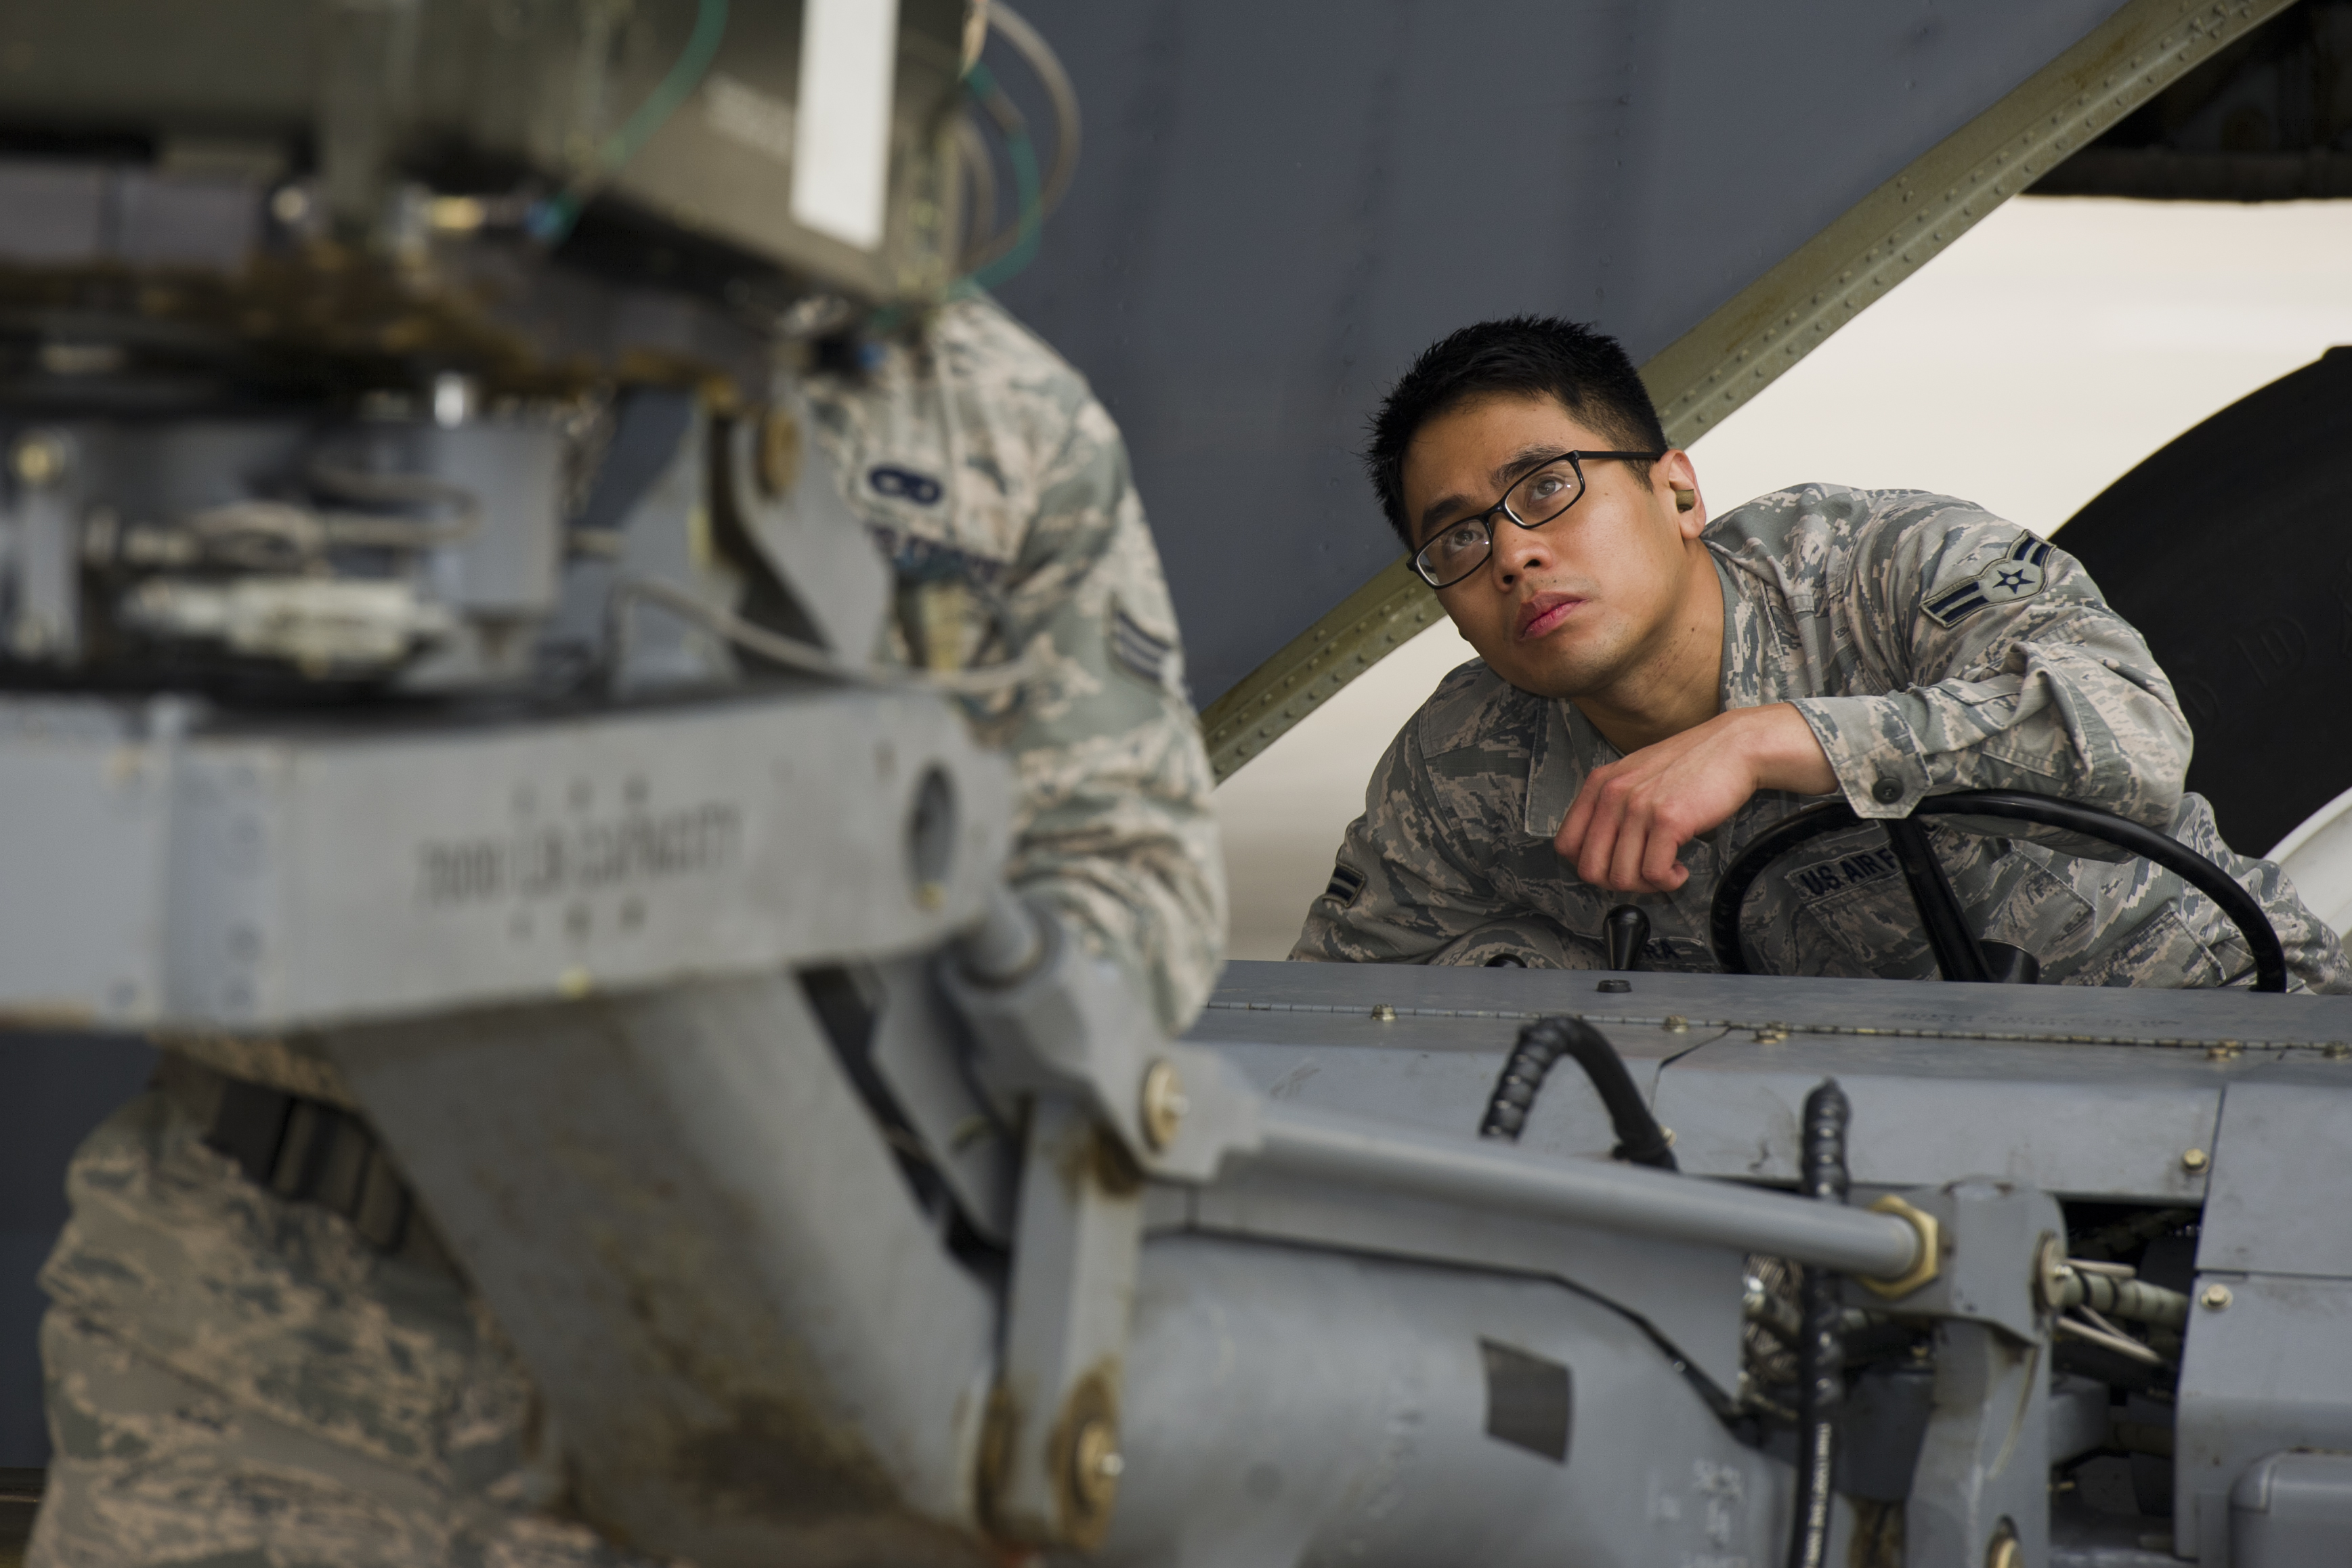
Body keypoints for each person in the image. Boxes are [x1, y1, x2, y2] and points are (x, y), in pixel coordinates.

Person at [27, 292, 1227, 1566]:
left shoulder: (1001, 412)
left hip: (743, 1397)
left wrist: (892, 1025)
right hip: (264, 1341)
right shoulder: (354, 293)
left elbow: (1132, 862)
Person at [1292, 314, 2347, 992]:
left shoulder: (1876, 568)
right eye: (1457, 540)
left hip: (2217, 1054)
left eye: (1546, 488)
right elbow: (1334, 1013)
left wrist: (1772, 740)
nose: (1514, 554)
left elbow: (2131, 735)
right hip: (1851, 1166)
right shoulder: (1461, 767)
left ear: (1676, 492)